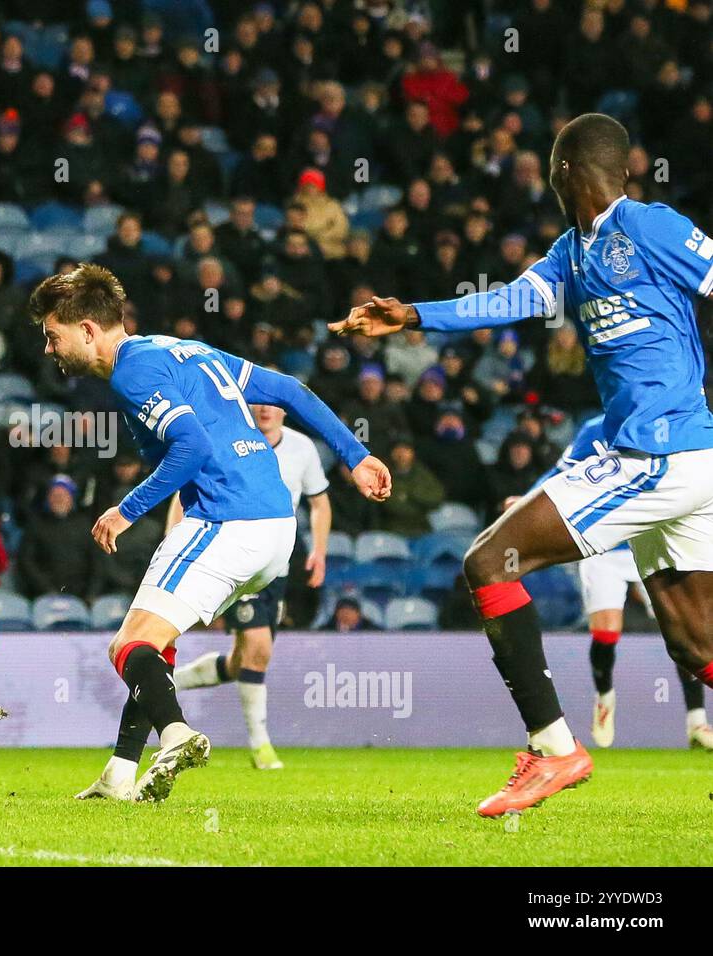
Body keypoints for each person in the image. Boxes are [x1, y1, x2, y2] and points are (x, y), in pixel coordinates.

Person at [330, 113, 713, 816]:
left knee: (489, 561)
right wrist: (411, 314)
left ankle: (555, 749)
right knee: (696, 644)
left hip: (660, 452)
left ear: (564, 169)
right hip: (682, 461)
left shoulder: (653, 226)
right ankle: (556, 747)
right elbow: (506, 301)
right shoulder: (571, 254)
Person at [30, 264, 390, 803]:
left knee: (127, 644)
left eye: (53, 337)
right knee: (155, 640)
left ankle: (175, 733)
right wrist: (356, 457)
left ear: (87, 329)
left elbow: (192, 448)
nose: (49, 350)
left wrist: (124, 511)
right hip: (275, 528)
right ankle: (120, 772)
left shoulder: (133, 372)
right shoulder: (183, 350)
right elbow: (290, 389)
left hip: (227, 518)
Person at [527, 415, 713, 751]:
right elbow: (559, 473)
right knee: (607, 632)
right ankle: (605, 695)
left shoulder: (676, 424)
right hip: (607, 546)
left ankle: (697, 721)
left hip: (656, 535)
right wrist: (525, 499)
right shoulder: (597, 428)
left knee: (688, 631)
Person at [174, 400, 334, 770]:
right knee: (258, 645)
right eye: (256, 405)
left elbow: (320, 503)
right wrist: (176, 535)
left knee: (245, 659)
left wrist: (320, 551)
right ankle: (261, 745)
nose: (265, 411)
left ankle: (174, 681)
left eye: (272, 405)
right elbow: (186, 489)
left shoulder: (301, 448)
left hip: (281, 556)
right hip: (237, 547)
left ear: (284, 411)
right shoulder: (226, 440)